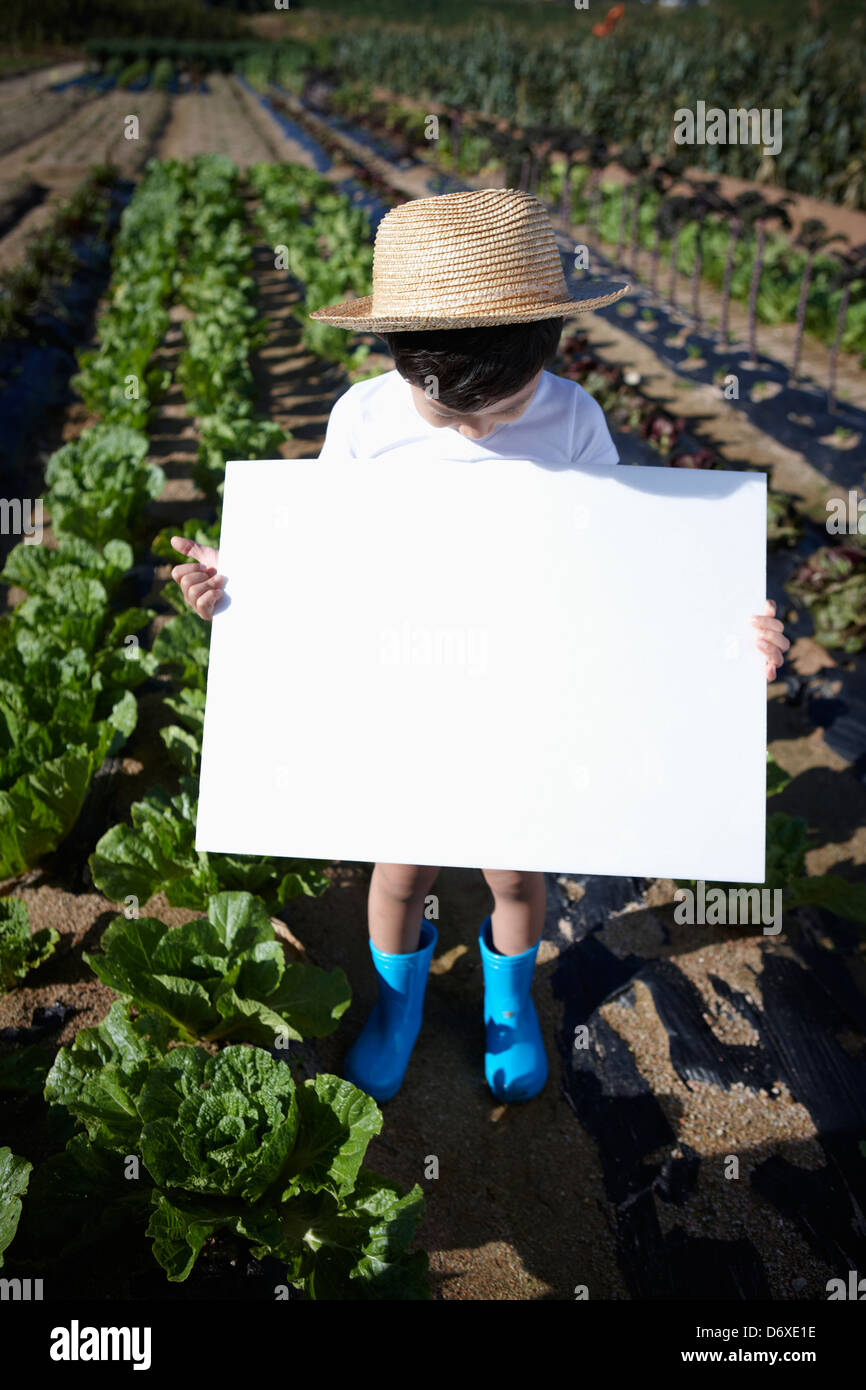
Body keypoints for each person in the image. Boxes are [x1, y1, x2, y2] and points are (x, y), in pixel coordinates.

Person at [170, 187, 789, 1106]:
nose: (473, 427)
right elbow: (323, 555)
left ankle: (509, 1002)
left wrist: (730, 640)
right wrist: (235, 589)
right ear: (396, 355)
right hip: (407, 683)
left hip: (525, 692)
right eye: (445, 408)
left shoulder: (575, 417)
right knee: (401, 867)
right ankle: (397, 1006)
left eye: (500, 404)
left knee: (515, 868)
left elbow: (626, 559)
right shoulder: (362, 419)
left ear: (550, 343)